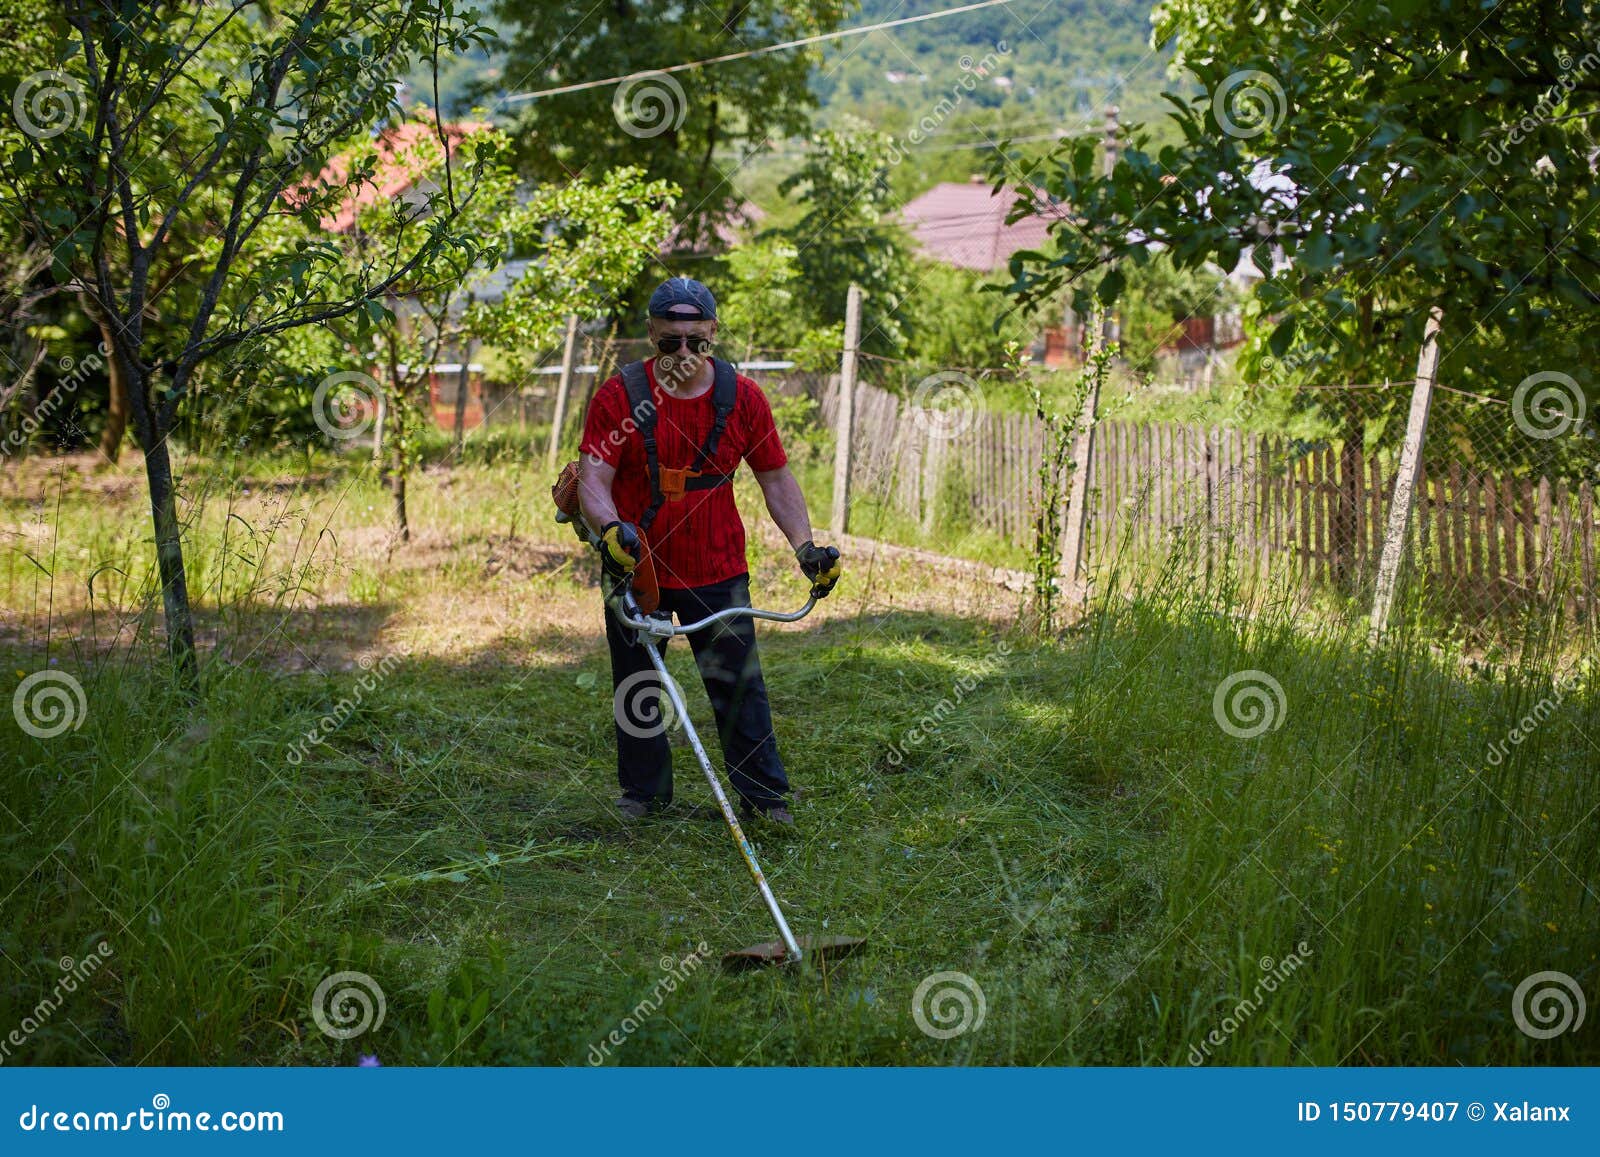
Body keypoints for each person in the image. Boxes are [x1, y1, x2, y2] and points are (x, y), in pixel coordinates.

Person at [577, 277, 841, 825]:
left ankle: (764, 800)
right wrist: (609, 531)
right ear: (651, 334)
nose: (682, 353)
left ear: (713, 335)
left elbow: (776, 478)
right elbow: (593, 477)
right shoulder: (619, 397)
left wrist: (805, 546)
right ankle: (643, 796)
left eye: (695, 341)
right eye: (669, 341)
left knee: (736, 679)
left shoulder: (743, 398)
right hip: (635, 559)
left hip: (715, 561)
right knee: (638, 683)